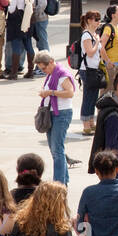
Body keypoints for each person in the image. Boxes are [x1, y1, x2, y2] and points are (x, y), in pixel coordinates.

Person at [34, 51, 76, 183]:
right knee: (55, 150)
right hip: (53, 113)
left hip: (61, 114)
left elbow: (70, 93)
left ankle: (59, 182)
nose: (44, 71)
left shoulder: (61, 75)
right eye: (41, 69)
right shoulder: (52, 74)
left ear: (51, 62)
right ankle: (64, 180)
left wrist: (50, 92)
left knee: (57, 150)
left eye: (44, 68)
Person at [3, 0, 33, 80]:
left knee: (16, 46)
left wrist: (9, 1)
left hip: (17, 24)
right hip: (28, 22)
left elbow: (11, 10)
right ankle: (30, 71)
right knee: (29, 45)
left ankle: (14, 73)